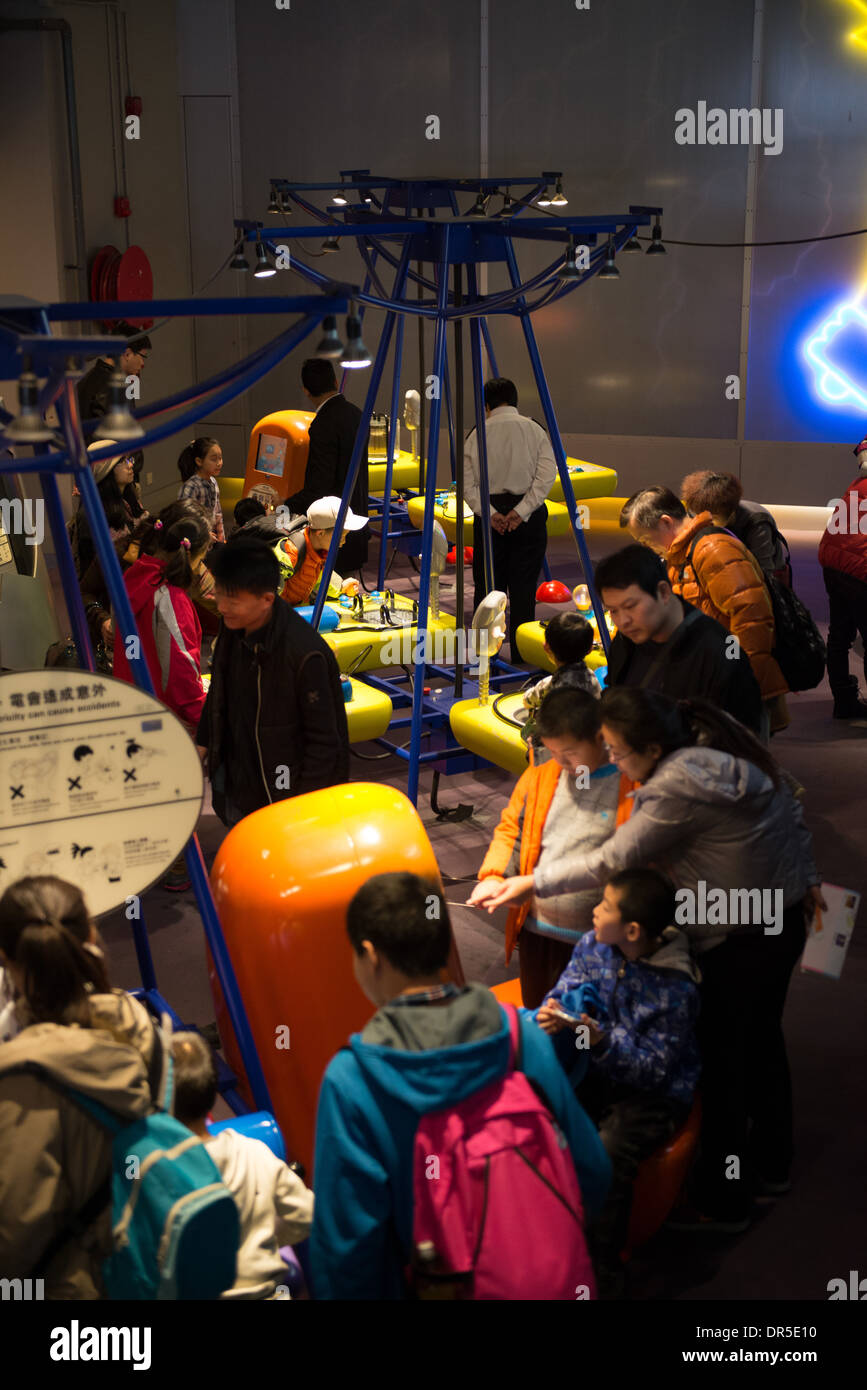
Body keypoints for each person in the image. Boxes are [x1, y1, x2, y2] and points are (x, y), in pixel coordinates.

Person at [484, 688, 823, 1232]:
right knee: (762, 1042)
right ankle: (772, 1165)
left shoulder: (673, 789)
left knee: (724, 1063)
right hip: (780, 917)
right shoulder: (723, 747)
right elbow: (793, 809)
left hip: (738, 935)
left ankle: (724, 1198)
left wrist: (530, 881)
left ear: (650, 744)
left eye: (616, 751)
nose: (612, 762)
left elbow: (611, 859)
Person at [309, 872, 611, 1300]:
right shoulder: (519, 1040)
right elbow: (591, 1170)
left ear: (372, 956)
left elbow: (347, 1254)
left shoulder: (353, 1081)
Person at [537, 869, 700, 1298]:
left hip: (652, 1095)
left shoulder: (676, 988)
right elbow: (567, 989)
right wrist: (555, 1012)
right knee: (542, 1115)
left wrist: (601, 1040)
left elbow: (656, 1070)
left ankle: (601, 1272)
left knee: (607, 1154)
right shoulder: (595, 944)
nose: (593, 910)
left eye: (604, 905)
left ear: (631, 929)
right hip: (596, 1067)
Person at [0, 876, 157, 1296]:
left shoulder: (17, 1079)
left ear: (6, 960)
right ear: (90, 936)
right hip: (149, 1262)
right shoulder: (139, 1024)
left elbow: (18, 1232)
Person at [467, 689, 635, 1007]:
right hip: (538, 933)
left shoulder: (631, 780)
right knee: (541, 1021)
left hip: (603, 941)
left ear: (600, 737)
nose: (561, 762)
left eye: (570, 752)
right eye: (553, 751)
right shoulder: (542, 774)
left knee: (593, 1028)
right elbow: (511, 831)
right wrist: (494, 877)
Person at [197, 541, 350, 828]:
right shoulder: (234, 626)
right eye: (219, 596)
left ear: (267, 599)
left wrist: (300, 814)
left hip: (287, 791)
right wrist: (203, 745)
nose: (221, 607)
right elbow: (219, 692)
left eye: (232, 600)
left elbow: (325, 746)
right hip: (244, 773)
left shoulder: (305, 654)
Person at [620, 485, 788, 735]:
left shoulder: (712, 551)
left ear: (666, 522)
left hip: (735, 692)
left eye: (645, 539)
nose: (647, 546)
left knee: (740, 764)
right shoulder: (681, 555)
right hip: (712, 688)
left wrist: (736, 675)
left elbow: (750, 616)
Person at [170, 1032, 314, 1300]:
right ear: (213, 1093)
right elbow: (306, 1215)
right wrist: (264, 1238)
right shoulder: (254, 1152)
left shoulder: (157, 1175)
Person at [595, 544, 764, 735]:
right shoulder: (627, 640)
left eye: (631, 606)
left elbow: (741, 738)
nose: (623, 621)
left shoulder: (719, 651)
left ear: (664, 592)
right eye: (613, 611)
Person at [465, 377, 557, 658]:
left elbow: (467, 483)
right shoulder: (535, 429)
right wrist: (522, 511)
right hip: (527, 518)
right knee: (524, 588)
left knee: (487, 586)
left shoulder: (476, 433)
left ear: (486, 405)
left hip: (489, 517)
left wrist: (492, 515)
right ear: (515, 400)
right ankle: (522, 652)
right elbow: (546, 476)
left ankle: (483, 653)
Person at [112, 502, 211, 734]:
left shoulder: (134, 575)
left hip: (131, 708)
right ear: (192, 555)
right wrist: (209, 720)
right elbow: (182, 680)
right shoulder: (171, 599)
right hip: (164, 723)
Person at [284, 358, 369, 574]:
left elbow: (319, 486)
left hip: (331, 531)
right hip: (355, 521)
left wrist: (283, 507)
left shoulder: (323, 424)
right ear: (335, 380)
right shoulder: (357, 414)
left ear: (306, 390)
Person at [817, 443, 867, 720]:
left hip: (833, 561)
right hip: (859, 569)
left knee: (839, 636)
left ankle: (844, 701)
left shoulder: (857, 483)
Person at [681, 470, 791, 586]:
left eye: (712, 518)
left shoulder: (756, 522)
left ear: (732, 513)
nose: (704, 521)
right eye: (699, 515)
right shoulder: (698, 510)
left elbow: (764, 575)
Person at [76, 321, 150, 491]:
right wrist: (131, 468)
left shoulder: (86, 381)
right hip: (113, 483)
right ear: (127, 353)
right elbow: (120, 441)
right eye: (143, 357)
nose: (143, 364)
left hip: (93, 475)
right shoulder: (115, 388)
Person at [68, 439, 148, 582]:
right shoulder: (91, 514)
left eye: (128, 459)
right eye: (122, 461)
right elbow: (90, 573)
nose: (130, 465)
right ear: (105, 472)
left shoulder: (130, 498)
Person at [265, 496, 367, 607]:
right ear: (320, 533)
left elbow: (319, 576)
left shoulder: (318, 552)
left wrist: (341, 586)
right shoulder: (290, 553)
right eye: (341, 536)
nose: (344, 541)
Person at [178, 436, 226, 544]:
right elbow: (185, 518)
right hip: (196, 541)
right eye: (214, 459)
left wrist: (221, 537)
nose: (219, 463)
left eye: (220, 458)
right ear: (199, 461)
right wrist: (205, 535)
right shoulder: (191, 486)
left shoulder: (213, 481)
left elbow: (217, 513)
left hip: (211, 540)